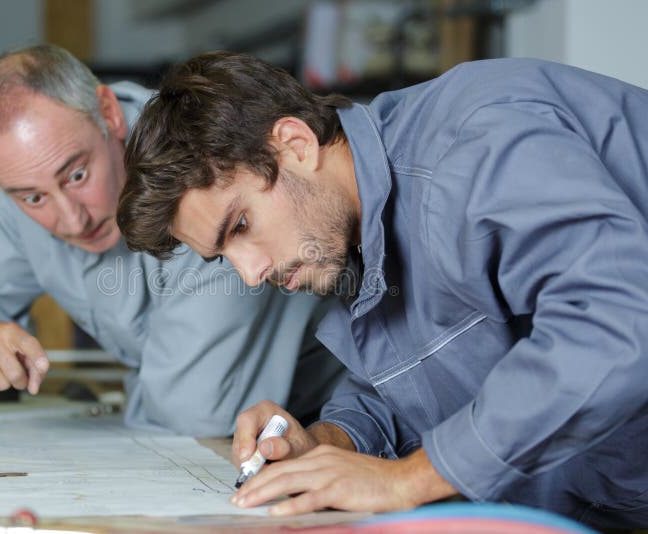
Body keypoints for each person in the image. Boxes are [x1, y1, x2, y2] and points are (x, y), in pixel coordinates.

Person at [117, 51, 648, 528]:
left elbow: (615, 323)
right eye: (223, 255)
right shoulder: (348, 227)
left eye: (240, 227)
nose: (250, 273)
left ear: (296, 145)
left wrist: (411, 479)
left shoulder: (478, 143)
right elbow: (425, 370)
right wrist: (328, 442)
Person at [0, 45, 346, 437]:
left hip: (346, 420)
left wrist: (131, 392)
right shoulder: (11, 195)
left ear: (108, 113)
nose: (70, 218)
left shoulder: (200, 168)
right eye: (33, 197)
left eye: (77, 174)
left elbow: (195, 410)